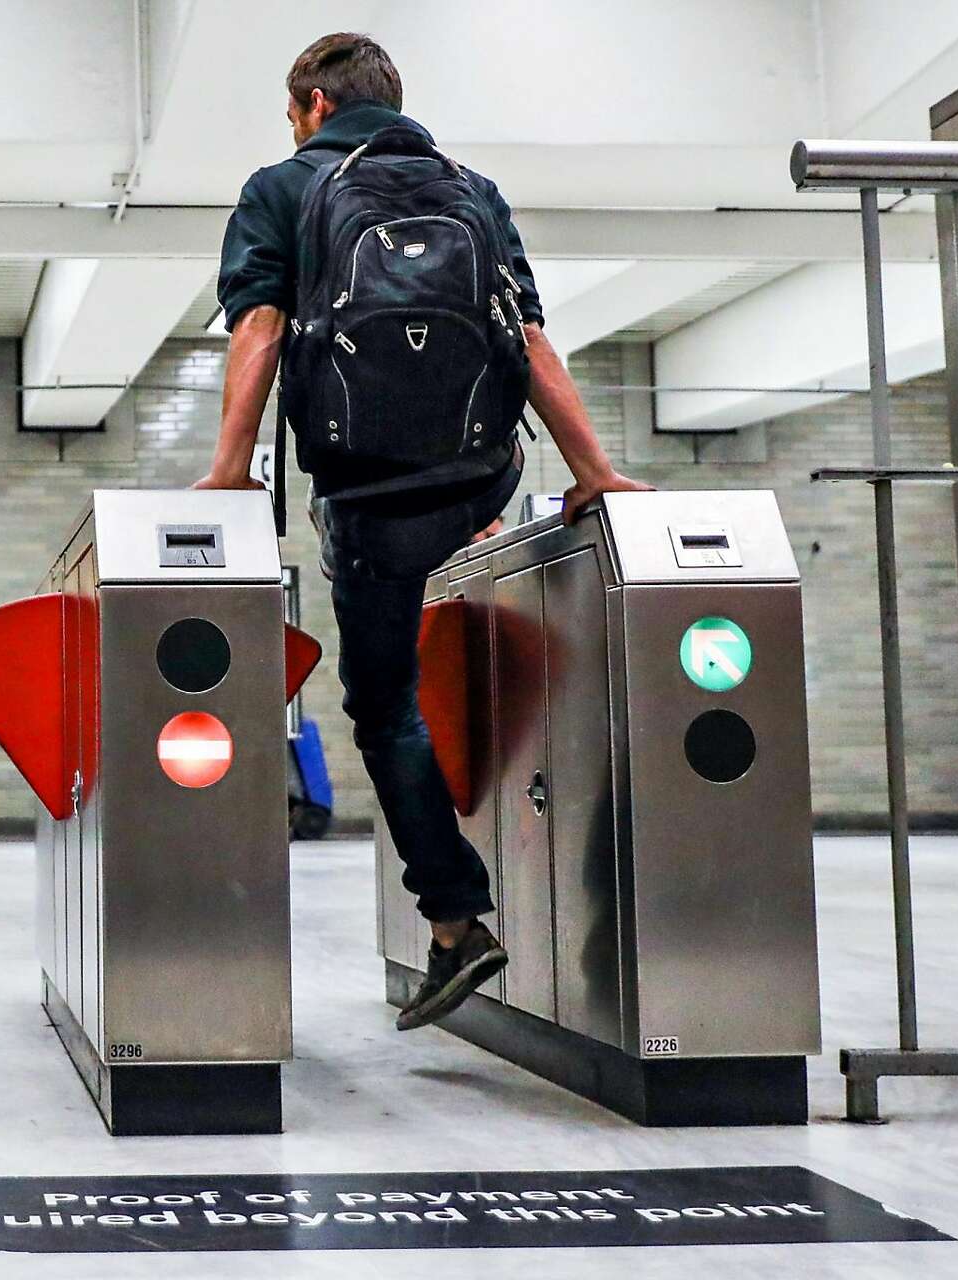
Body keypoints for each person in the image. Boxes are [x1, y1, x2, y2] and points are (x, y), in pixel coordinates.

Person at [195, 32, 649, 1031]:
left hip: (372, 493)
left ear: (315, 104)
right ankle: (476, 553)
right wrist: (595, 471)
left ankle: (454, 919)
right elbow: (528, 337)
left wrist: (231, 471)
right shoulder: (472, 191)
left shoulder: (283, 188)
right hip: (481, 471)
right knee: (457, 609)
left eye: (292, 112)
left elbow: (260, 327)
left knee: (384, 703)